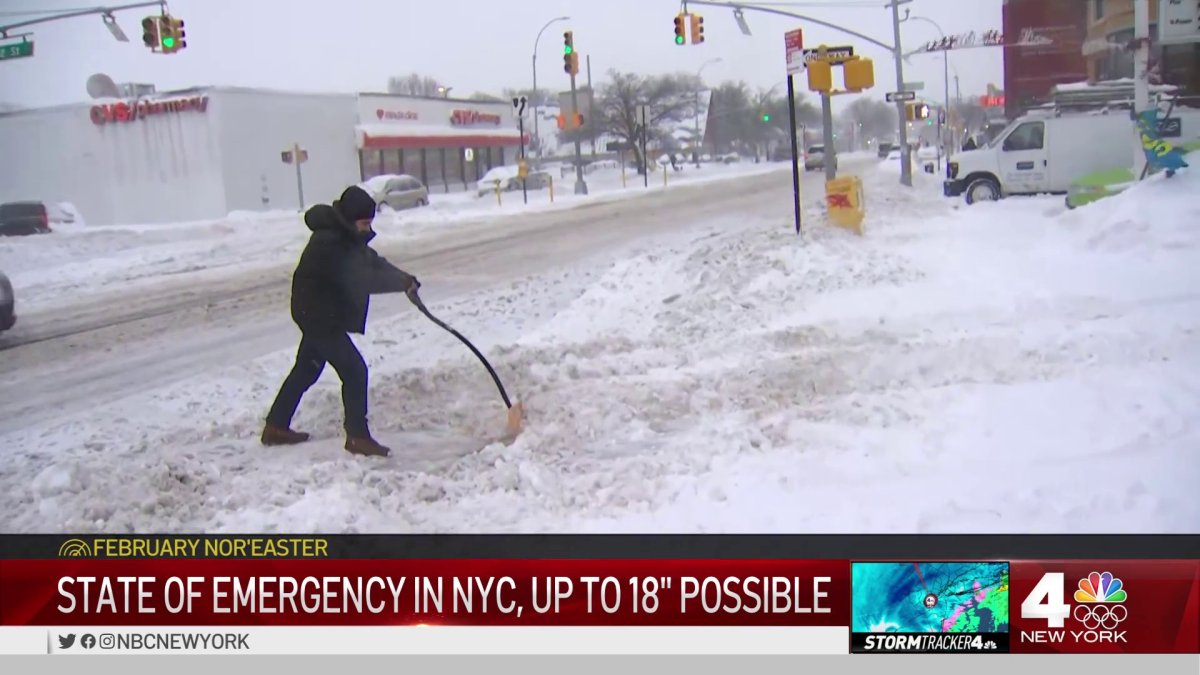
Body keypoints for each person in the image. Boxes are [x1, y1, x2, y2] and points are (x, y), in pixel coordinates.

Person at [261, 185, 419, 457]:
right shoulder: (330, 242)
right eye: (364, 223)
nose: (367, 228)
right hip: (319, 316)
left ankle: (276, 426)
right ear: (349, 218)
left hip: (319, 312)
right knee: (355, 371)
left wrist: (404, 278)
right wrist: (398, 284)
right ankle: (357, 437)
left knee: (306, 370)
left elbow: (372, 262)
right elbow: (361, 277)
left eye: (370, 223)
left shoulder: (347, 236)